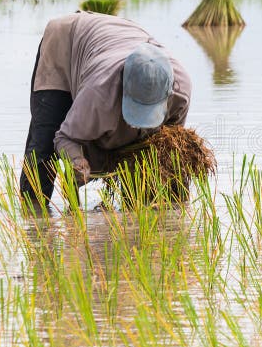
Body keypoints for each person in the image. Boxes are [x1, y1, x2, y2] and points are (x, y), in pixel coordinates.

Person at [20, 11, 192, 209]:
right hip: (66, 43)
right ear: (123, 88)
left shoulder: (181, 91)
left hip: (117, 39)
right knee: (43, 148)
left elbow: (165, 148)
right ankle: (34, 221)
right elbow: (64, 137)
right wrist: (77, 161)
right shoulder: (100, 93)